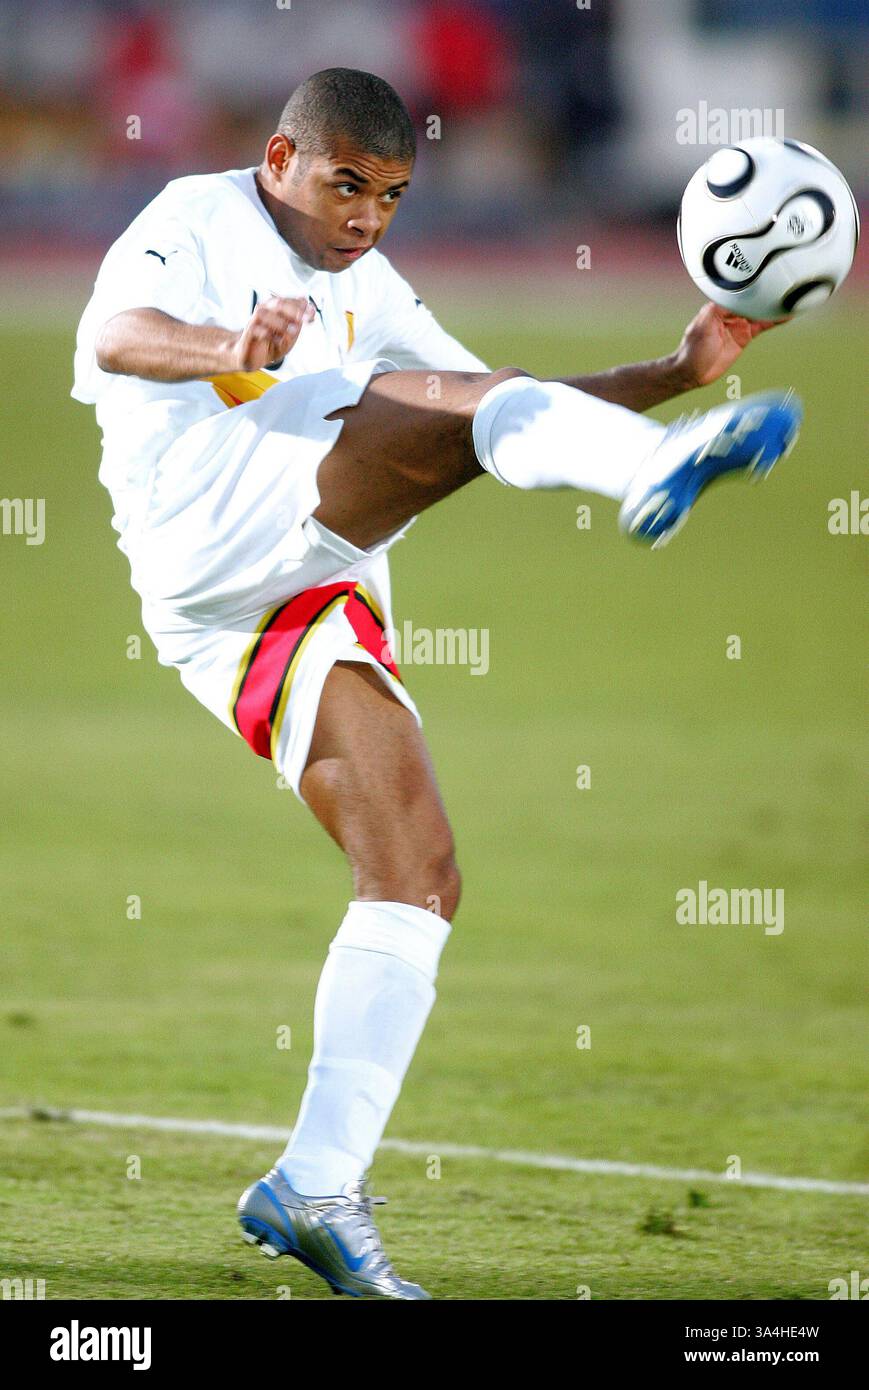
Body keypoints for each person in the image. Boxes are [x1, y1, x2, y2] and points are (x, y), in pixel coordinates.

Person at [71, 68, 800, 1300]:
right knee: (466, 421)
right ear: (280, 158)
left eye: (392, 196)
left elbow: (497, 411)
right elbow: (114, 334)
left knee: (416, 875)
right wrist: (226, 343)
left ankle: (313, 1183)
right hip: (217, 523)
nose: (364, 217)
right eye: (346, 184)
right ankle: (648, 476)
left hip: (275, 602)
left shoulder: (370, 281)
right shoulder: (197, 219)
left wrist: (673, 373)